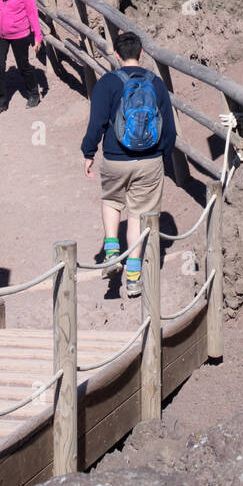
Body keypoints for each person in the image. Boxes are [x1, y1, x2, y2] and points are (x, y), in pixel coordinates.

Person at [81, 32, 177, 297]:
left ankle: (112, 250)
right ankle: (133, 276)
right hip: (150, 160)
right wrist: (161, 158)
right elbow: (169, 128)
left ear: (116, 55)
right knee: (137, 213)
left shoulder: (107, 83)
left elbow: (96, 123)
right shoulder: (156, 84)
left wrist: (88, 152)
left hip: (115, 157)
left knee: (112, 200)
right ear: (142, 53)